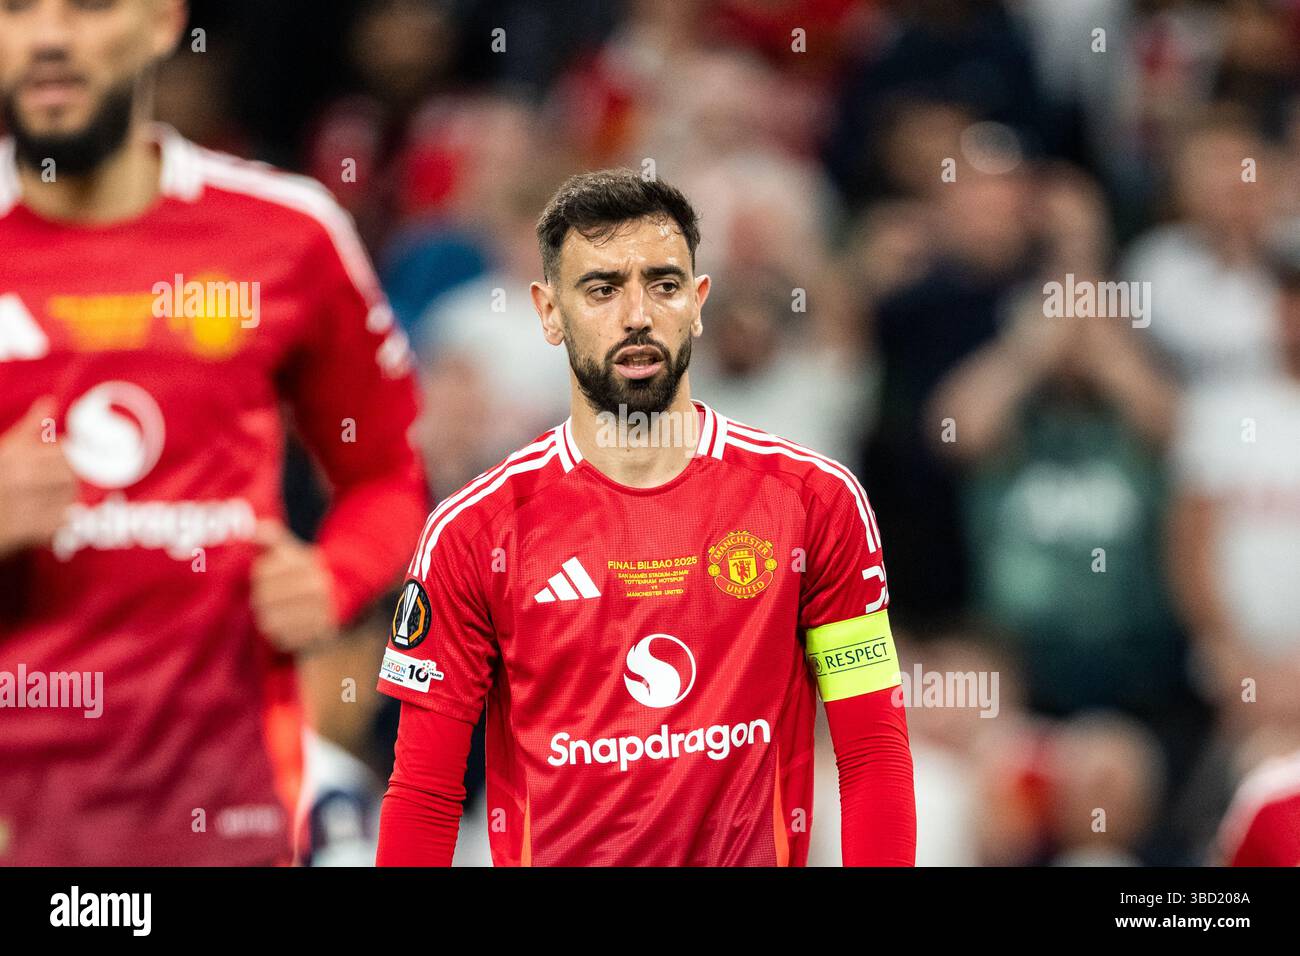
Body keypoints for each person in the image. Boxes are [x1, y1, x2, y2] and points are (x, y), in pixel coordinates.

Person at [374, 169, 915, 867]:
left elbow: (871, 750)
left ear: (697, 302)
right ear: (547, 312)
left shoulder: (815, 503)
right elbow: (424, 791)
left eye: (662, 285)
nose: (637, 314)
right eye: (601, 289)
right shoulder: (473, 533)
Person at [0, 0, 425, 864]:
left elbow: (387, 476)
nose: (47, 36)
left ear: (162, 22)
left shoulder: (287, 234)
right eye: (15, 8)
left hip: (227, 817)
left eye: (86, 6)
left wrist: (333, 578)